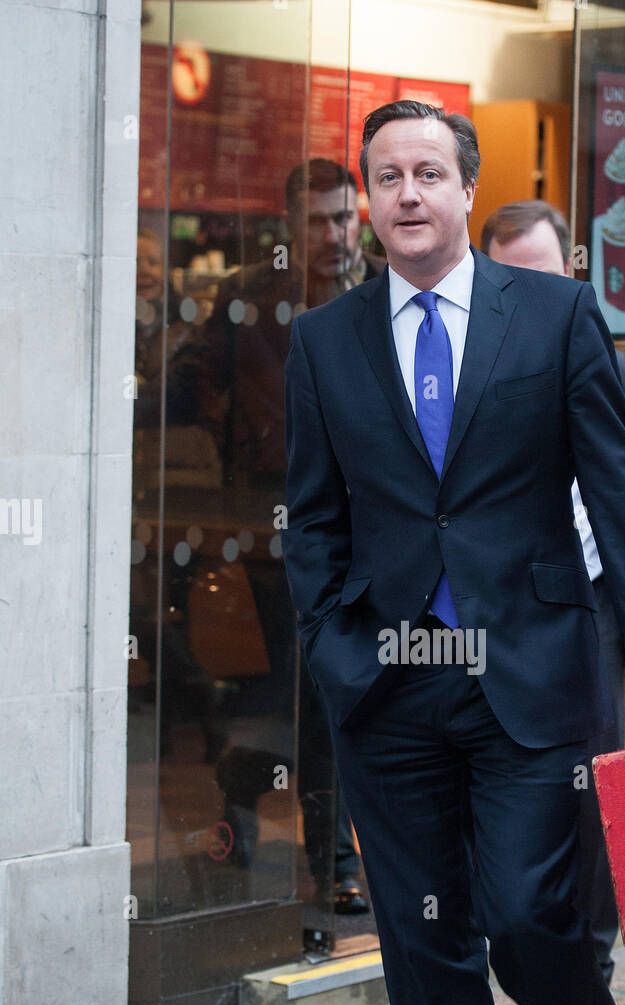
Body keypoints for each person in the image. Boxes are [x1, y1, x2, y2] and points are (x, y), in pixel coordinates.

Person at [281, 101, 625, 1005]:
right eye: (386, 177)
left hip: (531, 673)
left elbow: (620, 488)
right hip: (392, 685)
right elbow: (311, 522)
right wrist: (336, 644)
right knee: (426, 947)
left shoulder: (555, 314)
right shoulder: (325, 340)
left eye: (428, 174)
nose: (406, 193)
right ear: (369, 201)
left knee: (528, 917)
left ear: (466, 191)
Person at [138, 161, 382, 914]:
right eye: (316, 219)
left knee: (315, 697)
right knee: (302, 693)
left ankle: (261, 804)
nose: (333, 234)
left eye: (344, 217)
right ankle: (326, 856)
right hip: (276, 526)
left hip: (373, 530)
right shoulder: (249, 294)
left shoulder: (388, 285)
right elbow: (191, 384)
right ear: (288, 224)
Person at [481, 198, 625, 984]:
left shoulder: (608, 364)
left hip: (586, 607)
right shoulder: (463, 364)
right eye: (510, 278)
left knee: (595, 788)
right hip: (490, 611)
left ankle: (588, 962)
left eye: (545, 276)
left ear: (572, 276)